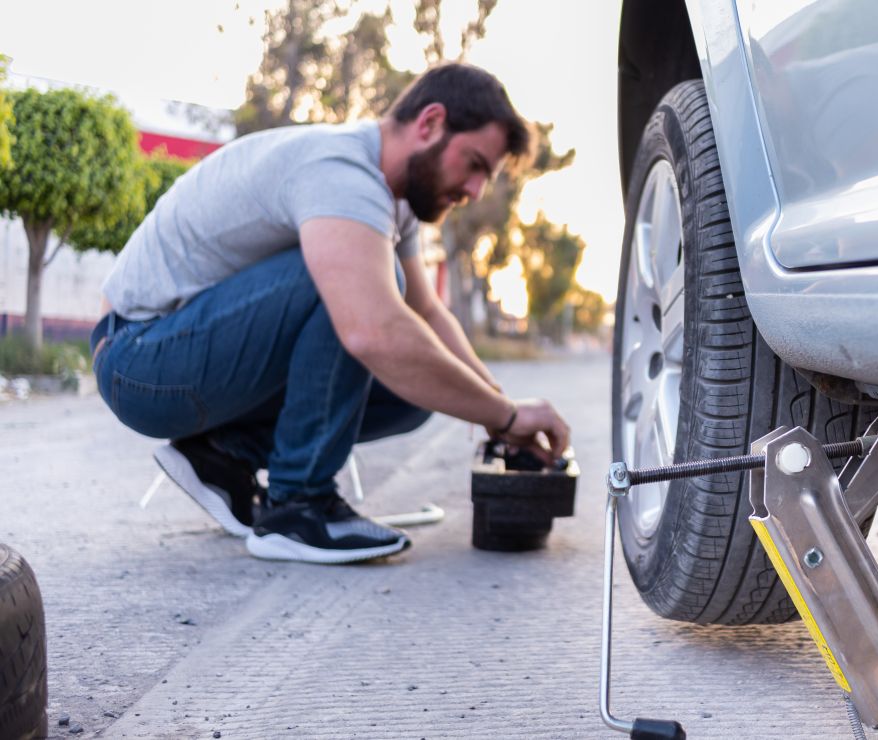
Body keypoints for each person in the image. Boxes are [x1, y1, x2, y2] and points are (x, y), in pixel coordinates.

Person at [90, 63, 571, 565]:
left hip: (177, 358)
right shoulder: (342, 172)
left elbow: (427, 313)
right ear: (430, 123)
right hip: (137, 359)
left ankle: (225, 455)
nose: (474, 191)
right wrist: (505, 416)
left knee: (417, 389)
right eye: (474, 164)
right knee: (367, 296)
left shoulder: (394, 200)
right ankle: (297, 505)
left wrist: (498, 408)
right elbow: (373, 330)